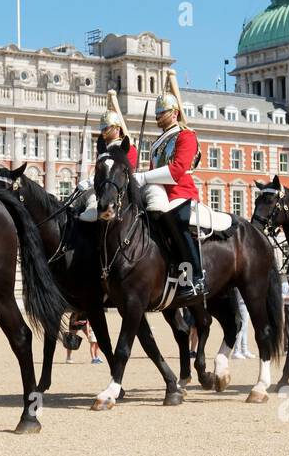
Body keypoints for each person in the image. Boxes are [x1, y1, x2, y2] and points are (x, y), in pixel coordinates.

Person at [134, 70, 205, 304]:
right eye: (156, 113)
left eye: (161, 112)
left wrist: (144, 177)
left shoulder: (186, 135)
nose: (157, 116)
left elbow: (177, 170)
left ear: (174, 113)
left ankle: (194, 277)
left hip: (180, 192)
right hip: (160, 193)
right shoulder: (158, 142)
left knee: (176, 222)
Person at [76, 90, 138, 218]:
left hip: (117, 193)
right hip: (101, 188)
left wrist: (89, 183)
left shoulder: (128, 148)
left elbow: (125, 175)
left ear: (117, 128)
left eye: (106, 128)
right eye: (102, 128)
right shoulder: (103, 149)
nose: (103, 131)